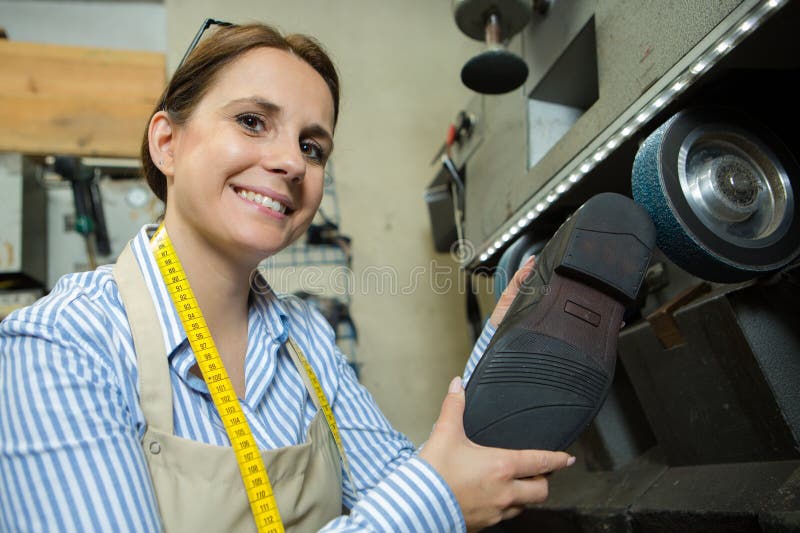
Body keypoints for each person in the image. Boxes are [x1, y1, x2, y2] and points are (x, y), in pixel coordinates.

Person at [0, 22, 573, 532]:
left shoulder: (304, 339)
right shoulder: (59, 347)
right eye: (252, 121)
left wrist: (502, 359)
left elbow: (403, 484)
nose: (293, 163)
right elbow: (423, 505)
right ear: (166, 143)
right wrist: (430, 506)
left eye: (312, 146)